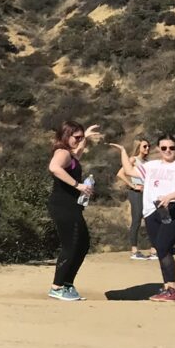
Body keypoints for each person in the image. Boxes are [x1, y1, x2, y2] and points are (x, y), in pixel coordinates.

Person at [120, 134, 175, 303]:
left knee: (162, 247)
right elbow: (128, 171)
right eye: (164, 148)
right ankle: (169, 288)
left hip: (174, 209)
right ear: (158, 149)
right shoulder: (151, 165)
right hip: (151, 211)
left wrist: (170, 196)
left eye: (171, 148)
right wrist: (123, 152)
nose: (168, 151)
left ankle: (173, 290)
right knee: (162, 251)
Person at [45, 120, 101, 301]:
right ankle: (57, 286)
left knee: (83, 243)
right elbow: (54, 167)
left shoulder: (71, 155)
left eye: (80, 137)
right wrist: (78, 185)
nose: (79, 141)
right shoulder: (62, 153)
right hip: (62, 205)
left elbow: (78, 154)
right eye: (76, 137)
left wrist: (87, 138)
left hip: (71, 206)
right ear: (66, 136)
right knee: (71, 244)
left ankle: (67, 284)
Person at [113, 138, 155, 261]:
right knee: (136, 219)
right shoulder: (133, 159)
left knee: (151, 218)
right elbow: (120, 173)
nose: (147, 148)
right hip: (135, 193)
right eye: (145, 146)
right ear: (139, 147)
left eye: (148, 146)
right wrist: (132, 185)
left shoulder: (147, 162)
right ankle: (134, 250)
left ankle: (154, 249)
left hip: (147, 193)